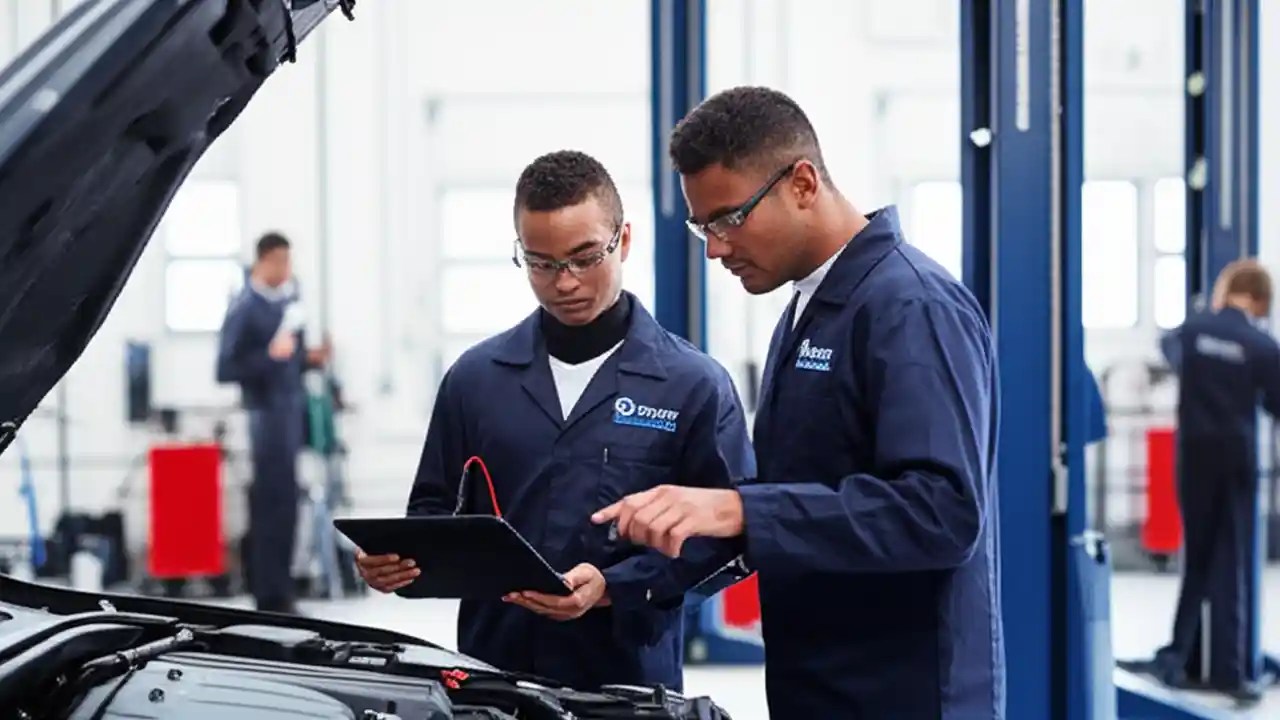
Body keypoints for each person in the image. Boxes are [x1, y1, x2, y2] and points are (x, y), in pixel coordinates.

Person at [592, 86, 1004, 718]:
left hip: (904, 695)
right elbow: (793, 501)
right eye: (703, 226)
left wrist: (739, 510)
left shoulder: (909, 306)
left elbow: (942, 513)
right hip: (821, 684)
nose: (715, 248)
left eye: (729, 219)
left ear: (803, 183)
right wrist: (620, 582)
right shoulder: (810, 309)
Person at [354, 150, 755, 692]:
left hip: (625, 686)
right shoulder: (475, 381)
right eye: (541, 262)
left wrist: (614, 587)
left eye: (585, 257)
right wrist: (397, 566)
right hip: (494, 681)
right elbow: (431, 514)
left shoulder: (694, 386)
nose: (564, 282)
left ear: (625, 241)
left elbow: (731, 544)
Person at [1121, 259, 1280, 702]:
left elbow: (1170, 355)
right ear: (1259, 300)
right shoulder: (1261, 344)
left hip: (1193, 459)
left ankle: (1176, 657)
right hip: (1236, 462)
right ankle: (1230, 673)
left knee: (1197, 563)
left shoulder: (1188, 332)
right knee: (1232, 563)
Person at [216, 232, 329, 614]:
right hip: (264, 420)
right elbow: (226, 367)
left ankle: (283, 591)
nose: (286, 270)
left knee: (287, 505)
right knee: (269, 507)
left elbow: (289, 363)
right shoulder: (245, 307)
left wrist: (309, 358)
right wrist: (271, 355)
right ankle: (268, 594)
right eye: (280, 261)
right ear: (263, 261)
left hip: (288, 418)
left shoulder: (286, 305)